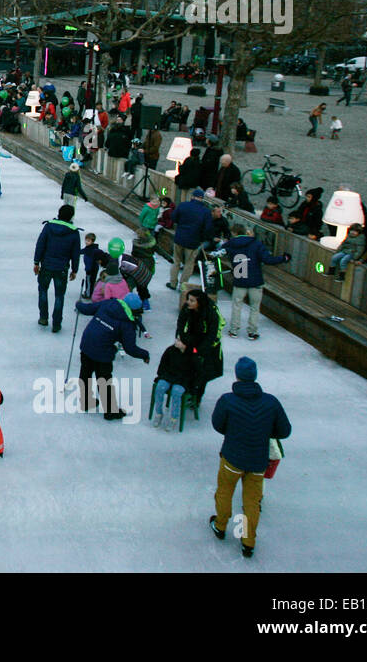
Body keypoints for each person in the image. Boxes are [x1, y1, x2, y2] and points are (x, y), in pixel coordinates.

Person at [209, 357, 291, 558]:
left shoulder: (227, 400)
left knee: (225, 492)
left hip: (232, 459)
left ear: (237, 376)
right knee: (252, 501)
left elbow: (218, 425)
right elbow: (284, 430)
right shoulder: (271, 402)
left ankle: (220, 525)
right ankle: (248, 542)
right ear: (255, 377)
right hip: (257, 462)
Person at [73, 292, 150, 420]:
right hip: (103, 352)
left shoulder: (108, 303)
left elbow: (87, 309)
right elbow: (130, 348)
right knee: (104, 380)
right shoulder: (127, 323)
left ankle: (86, 401)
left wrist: (79, 304)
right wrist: (144, 354)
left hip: (87, 343)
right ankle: (110, 411)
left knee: (85, 373)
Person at [222, 223, 290, 339]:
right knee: (255, 306)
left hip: (239, 279)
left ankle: (234, 330)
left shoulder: (231, 244)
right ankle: (252, 331)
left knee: (237, 305)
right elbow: (267, 259)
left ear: (234, 233)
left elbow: (221, 251)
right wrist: (283, 258)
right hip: (255, 279)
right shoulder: (256, 243)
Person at [33, 204, 80, 332]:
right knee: (59, 296)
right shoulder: (74, 233)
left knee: (43, 291)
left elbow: (40, 244)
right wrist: (75, 270)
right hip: (62, 269)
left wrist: (36, 262)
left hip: (47, 265)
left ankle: (43, 318)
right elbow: (75, 253)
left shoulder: (48, 227)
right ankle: (56, 323)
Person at [166, 189, 212, 292]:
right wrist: (202, 238)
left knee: (176, 261)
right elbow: (207, 228)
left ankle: (173, 283)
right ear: (202, 198)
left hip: (180, 237)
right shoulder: (206, 211)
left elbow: (173, 217)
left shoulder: (183, 205)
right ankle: (183, 285)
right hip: (193, 241)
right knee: (189, 264)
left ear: (192, 196)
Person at [151, 335, 197, 432]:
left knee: (176, 392)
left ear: (185, 344)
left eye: (179, 340)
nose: (176, 341)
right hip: (169, 375)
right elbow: (162, 365)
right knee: (160, 387)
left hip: (183, 379)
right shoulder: (170, 350)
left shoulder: (192, 355)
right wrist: (162, 375)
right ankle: (159, 413)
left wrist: (191, 384)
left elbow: (195, 373)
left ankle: (173, 418)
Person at [79, 232, 102, 300]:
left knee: (89, 282)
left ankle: (89, 294)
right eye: (86, 240)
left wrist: (88, 269)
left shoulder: (90, 249)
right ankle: (89, 292)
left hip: (91, 269)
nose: (86, 242)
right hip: (91, 268)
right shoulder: (89, 248)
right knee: (90, 281)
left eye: (88, 241)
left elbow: (90, 261)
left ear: (92, 241)